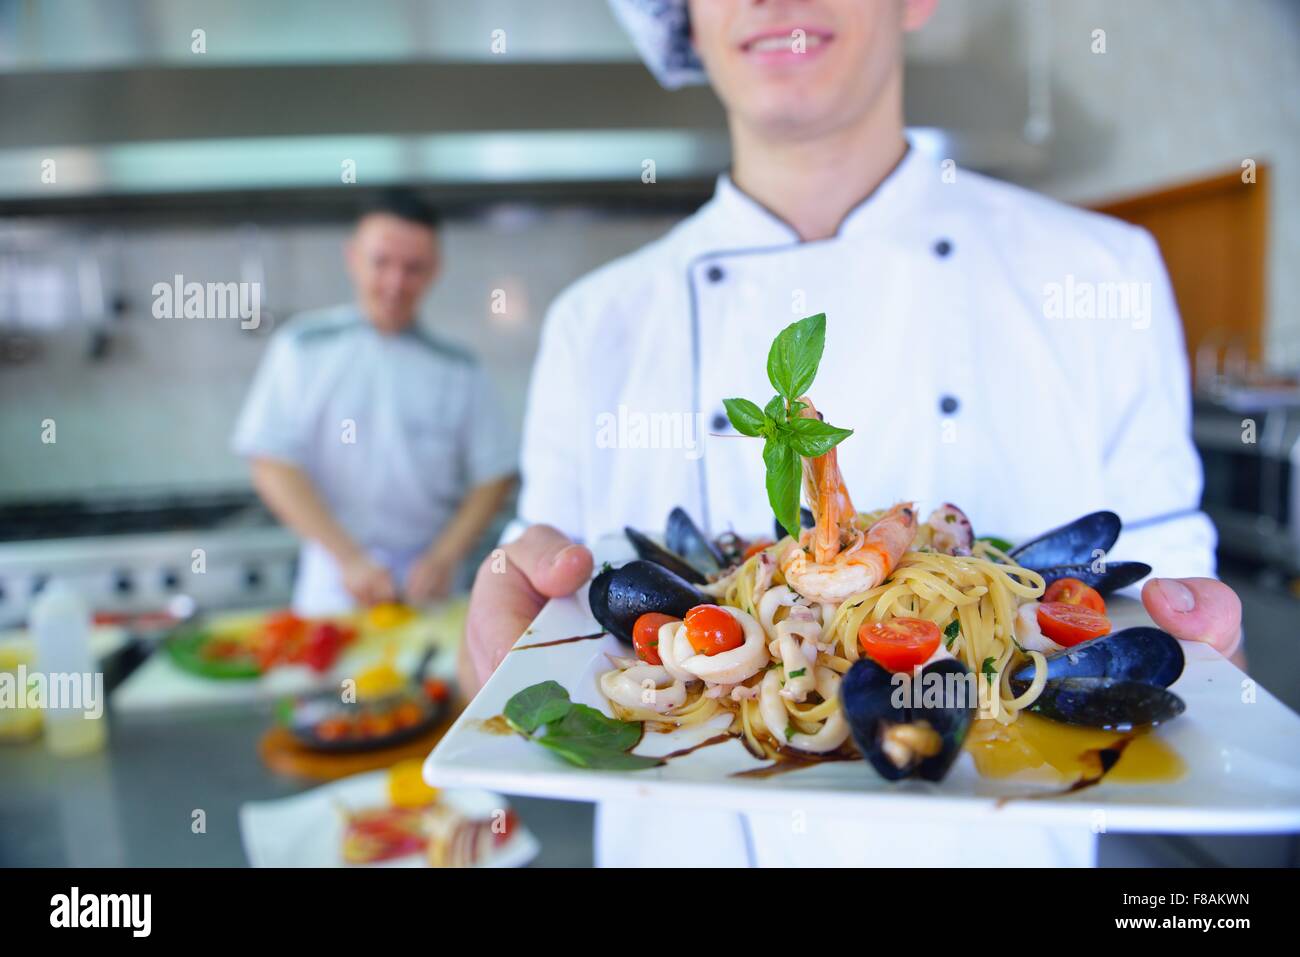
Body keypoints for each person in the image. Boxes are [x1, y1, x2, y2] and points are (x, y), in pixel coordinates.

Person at [462, 0, 1244, 865]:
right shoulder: (593, 323)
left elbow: (1175, 592)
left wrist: (1203, 634)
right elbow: (538, 621)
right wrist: (500, 631)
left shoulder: (1103, 273)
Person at [232, 189, 516, 615]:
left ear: (435, 270)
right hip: (335, 579)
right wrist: (348, 558)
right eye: (381, 263)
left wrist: (444, 556)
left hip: (433, 582)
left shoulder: (460, 368)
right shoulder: (301, 348)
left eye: (413, 268)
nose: (395, 283)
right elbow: (270, 460)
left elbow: (494, 474)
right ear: (353, 257)